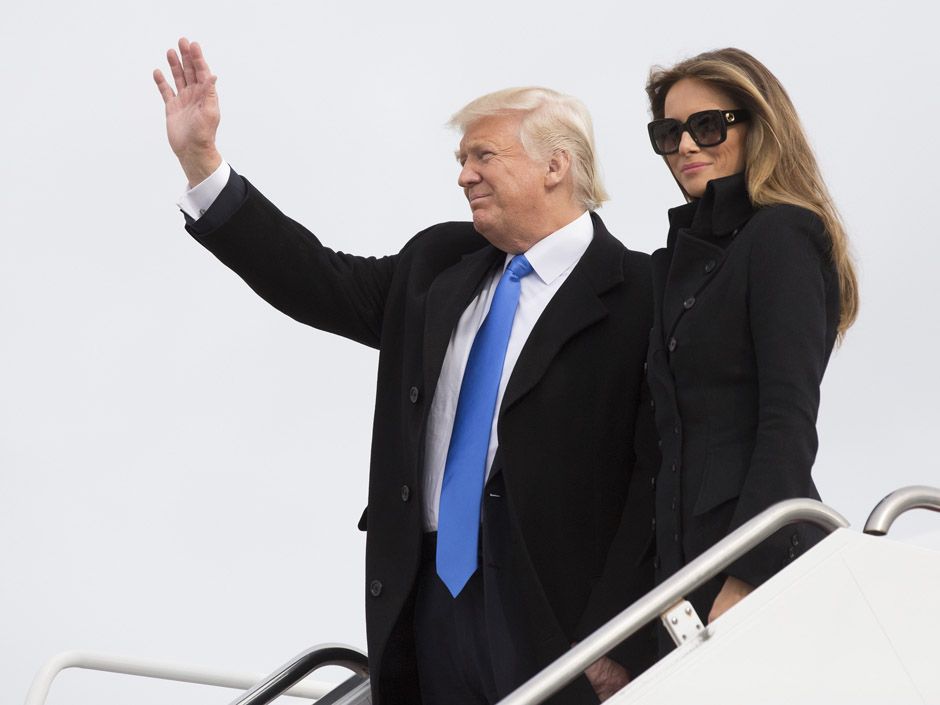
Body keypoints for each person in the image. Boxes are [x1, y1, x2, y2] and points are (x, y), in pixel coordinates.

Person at [154, 39, 658, 704]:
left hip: (557, 612)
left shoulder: (644, 293)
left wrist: (619, 634)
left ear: (555, 166)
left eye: (483, 156)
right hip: (427, 602)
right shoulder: (436, 266)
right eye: (461, 160)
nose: (464, 176)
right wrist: (203, 163)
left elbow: (654, 479)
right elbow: (315, 279)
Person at [643, 47, 859, 633]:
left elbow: (787, 419)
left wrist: (746, 577)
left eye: (706, 125)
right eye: (669, 132)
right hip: (682, 578)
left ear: (757, 128)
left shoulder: (782, 235)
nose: (685, 145)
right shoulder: (672, 267)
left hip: (755, 568)